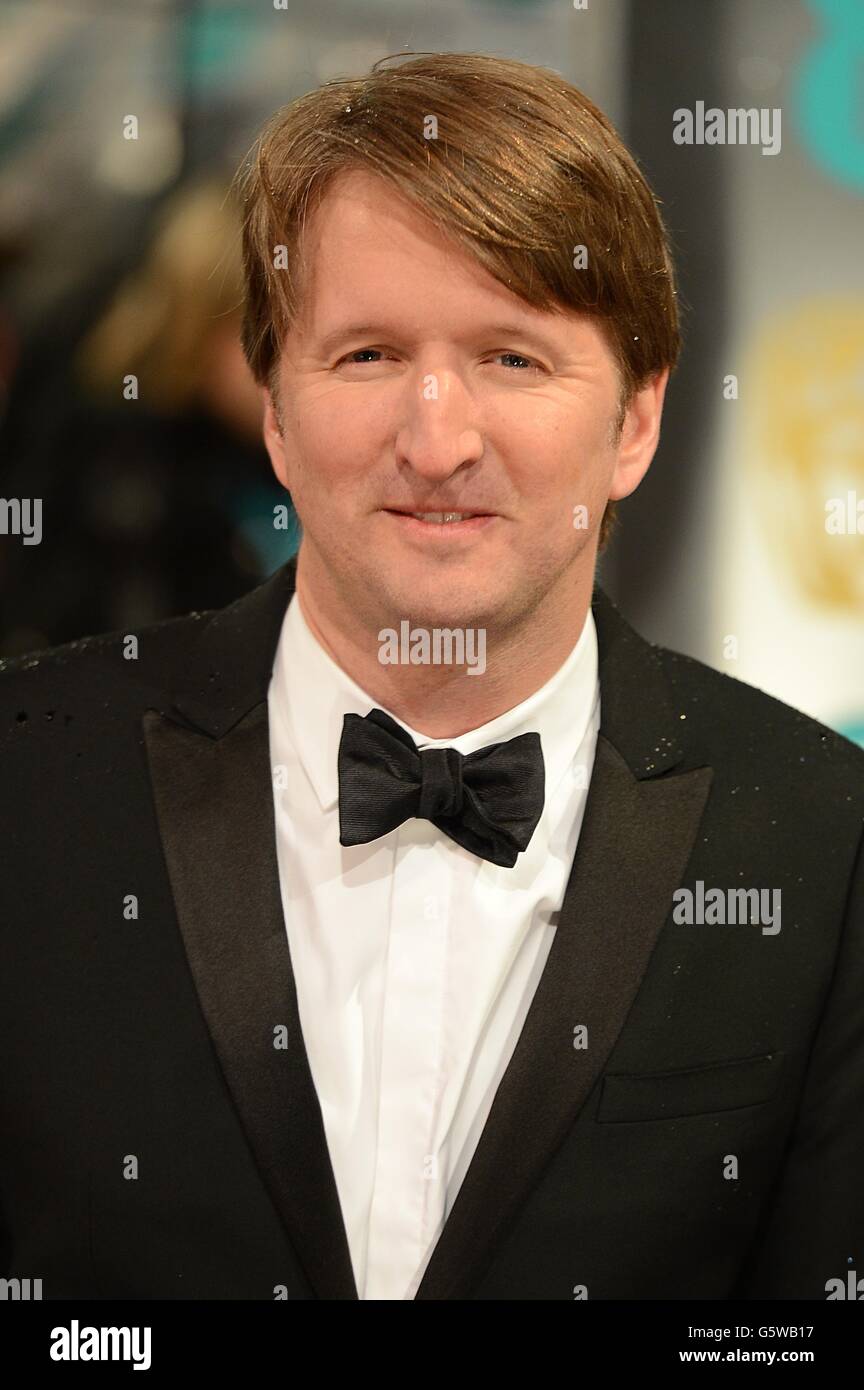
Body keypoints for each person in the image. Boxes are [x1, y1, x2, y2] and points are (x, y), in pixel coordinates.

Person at [1, 51, 862, 1303]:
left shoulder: (823, 841)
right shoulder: (27, 781)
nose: (438, 439)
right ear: (276, 415)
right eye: (365, 356)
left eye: (513, 358)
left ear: (634, 421)